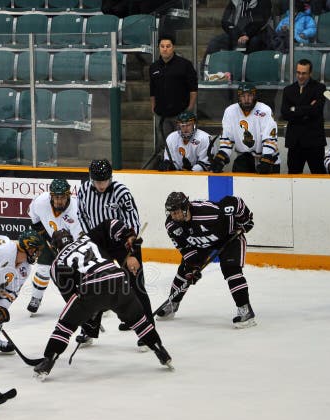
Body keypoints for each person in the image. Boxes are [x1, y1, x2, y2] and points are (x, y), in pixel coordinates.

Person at [32, 225, 173, 381]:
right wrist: (128, 238)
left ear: (54, 247)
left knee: (64, 326)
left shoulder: (57, 263)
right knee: (139, 320)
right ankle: (160, 349)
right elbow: (109, 233)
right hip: (118, 279)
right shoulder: (87, 239)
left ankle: (48, 361)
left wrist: (86, 316)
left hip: (93, 286)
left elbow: (70, 296)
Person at [76, 158, 153, 346]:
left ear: (110, 178)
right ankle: (89, 329)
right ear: (91, 179)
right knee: (93, 285)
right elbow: (81, 215)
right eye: (97, 181)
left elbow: (133, 219)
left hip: (123, 242)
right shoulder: (84, 190)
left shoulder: (121, 192)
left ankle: (147, 331)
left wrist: (132, 248)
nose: (101, 185)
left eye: (104, 181)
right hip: (98, 244)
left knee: (136, 285)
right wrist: (89, 238)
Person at [157, 192, 256, 328]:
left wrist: (246, 219)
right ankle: (172, 303)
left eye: (176, 212)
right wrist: (193, 268)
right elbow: (185, 248)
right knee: (184, 272)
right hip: (202, 243)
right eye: (171, 213)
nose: (173, 216)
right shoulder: (171, 225)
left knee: (231, 270)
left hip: (229, 238)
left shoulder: (208, 213)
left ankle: (245, 310)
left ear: (186, 208)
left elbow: (233, 202)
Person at [26, 178, 83, 314]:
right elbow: (35, 220)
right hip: (49, 238)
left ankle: (87, 298)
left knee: (78, 270)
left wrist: (65, 250)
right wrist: (46, 238)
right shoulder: (40, 202)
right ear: (51, 196)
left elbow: (79, 240)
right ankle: (36, 297)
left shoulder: (76, 211)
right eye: (56, 197)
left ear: (68, 195)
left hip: (71, 243)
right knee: (44, 268)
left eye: (62, 197)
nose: (59, 201)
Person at [148, 34, 198, 167]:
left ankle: (185, 167)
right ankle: (166, 166)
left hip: (180, 114)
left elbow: (193, 89)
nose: (165, 49)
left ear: (173, 47)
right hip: (162, 115)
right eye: (162, 46)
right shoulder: (153, 67)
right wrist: (153, 107)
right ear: (158, 48)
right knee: (163, 144)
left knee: (183, 142)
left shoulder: (185, 65)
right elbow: (152, 90)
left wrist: (189, 108)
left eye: (168, 46)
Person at [211, 82, 280, 174]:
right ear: (239, 97)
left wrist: (267, 158)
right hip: (244, 160)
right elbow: (227, 139)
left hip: (268, 158)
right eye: (243, 96)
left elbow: (269, 137)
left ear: (254, 96)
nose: (246, 99)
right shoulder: (230, 111)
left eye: (250, 95)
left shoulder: (264, 110)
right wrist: (221, 157)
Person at [280, 58, 326, 174]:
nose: (300, 76)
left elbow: (316, 110)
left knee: (319, 176)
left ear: (310, 73)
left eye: (304, 73)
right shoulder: (288, 90)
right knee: (293, 177)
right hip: (295, 143)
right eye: (298, 73)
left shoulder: (320, 88)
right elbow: (284, 113)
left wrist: (294, 109)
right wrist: (307, 108)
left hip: (314, 142)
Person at [204, 0, 273, 59]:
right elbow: (225, 21)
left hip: (257, 33)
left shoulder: (263, 1)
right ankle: (205, 68)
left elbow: (261, 21)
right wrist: (235, 33)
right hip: (236, 33)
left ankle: (250, 68)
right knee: (215, 43)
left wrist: (247, 34)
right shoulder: (234, 1)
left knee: (254, 42)